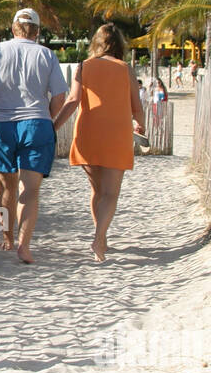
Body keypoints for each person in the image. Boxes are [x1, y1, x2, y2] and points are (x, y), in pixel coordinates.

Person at [0, 8, 68, 264]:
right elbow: (60, 97)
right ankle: (25, 245)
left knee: (5, 185)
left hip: (1, 124)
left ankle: (7, 237)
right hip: (36, 124)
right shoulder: (47, 55)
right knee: (31, 190)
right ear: (37, 32)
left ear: (13, 29)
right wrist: (49, 120)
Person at [53, 23, 145, 263]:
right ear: (119, 44)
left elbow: (73, 101)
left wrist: (53, 126)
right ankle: (99, 238)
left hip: (89, 131)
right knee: (111, 193)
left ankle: (101, 237)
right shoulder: (126, 69)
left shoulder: (84, 66)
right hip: (117, 133)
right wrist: (140, 126)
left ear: (97, 43)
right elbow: (137, 106)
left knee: (97, 190)